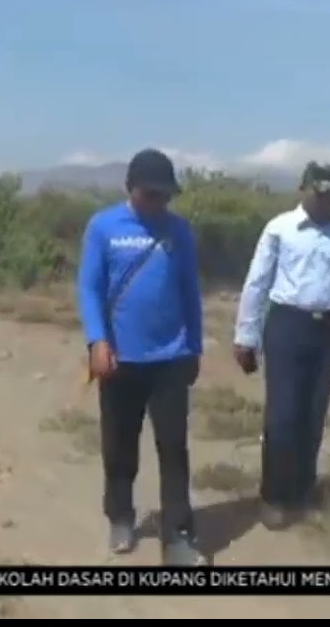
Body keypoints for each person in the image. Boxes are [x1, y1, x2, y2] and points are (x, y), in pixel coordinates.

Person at [76, 148, 206, 567]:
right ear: (132, 188)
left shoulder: (179, 231)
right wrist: (97, 340)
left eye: (166, 195)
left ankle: (178, 537)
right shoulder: (104, 227)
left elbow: (190, 292)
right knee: (119, 444)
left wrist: (195, 348)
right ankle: (120, 516)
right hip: (119, 359)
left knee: (173, 448)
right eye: (152, 194)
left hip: (170, 357)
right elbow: (90, 288)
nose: (159, 203)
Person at [232, 162, 330, 531]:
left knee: (312, 415)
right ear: (304, 188)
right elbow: (256, 283)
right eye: (319, 192)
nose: (325, 199)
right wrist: (245, 337)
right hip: (285, 325)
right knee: (283, 416)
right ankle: (274, 496)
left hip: (321, 331)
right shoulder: (280, 229)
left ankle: (302, 489)